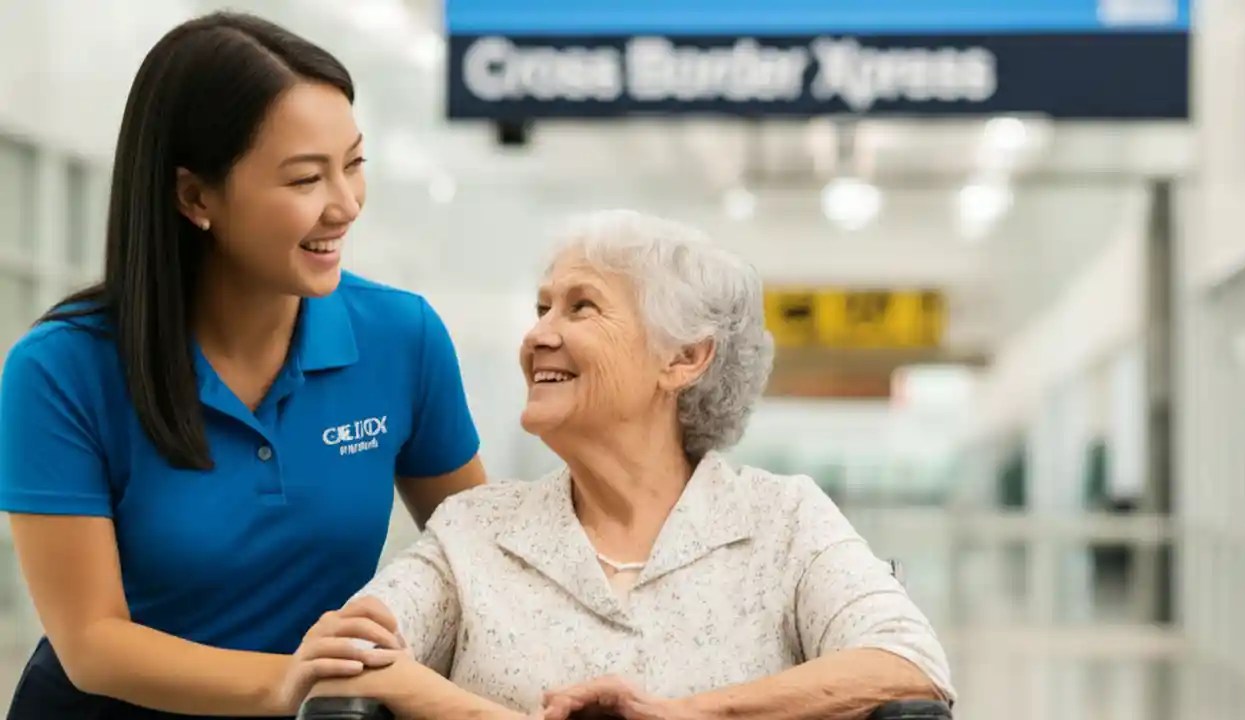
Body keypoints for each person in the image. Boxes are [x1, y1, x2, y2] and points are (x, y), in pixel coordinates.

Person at [0, 12, 485, 719]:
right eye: (303, 180)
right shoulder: (61, 370)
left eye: (353, 165)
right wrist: (290, 680)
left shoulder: (402, 337)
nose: (345, 205)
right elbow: (92, 642)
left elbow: (481, 564)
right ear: (195, 197)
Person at [287, 210, 955, 720]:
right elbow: (341, 659)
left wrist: (683, 715)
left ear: (685, 358)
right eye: (543, 306)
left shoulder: (784, 521)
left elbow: (908, 663)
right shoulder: (473, 531)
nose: (540, 334)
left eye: (582, 307)